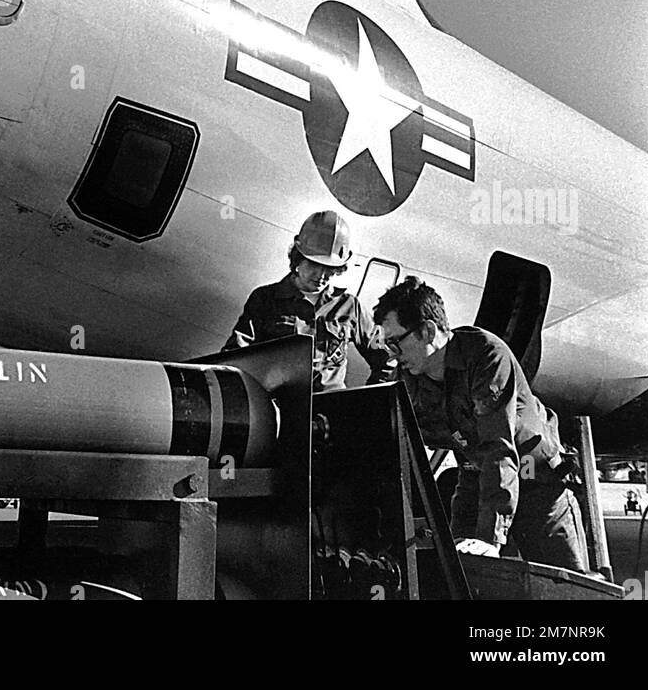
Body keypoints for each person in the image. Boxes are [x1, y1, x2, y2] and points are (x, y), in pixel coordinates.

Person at [373, 276, 588, 571]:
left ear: (427, 331)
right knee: (461, 575)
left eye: (395, 344)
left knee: (567, 588)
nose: (392, 355)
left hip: (537, 483)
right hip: (477, 479)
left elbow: (498, 448)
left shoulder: (485, 356)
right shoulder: (409, 376)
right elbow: (397, 441)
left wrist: (490, 537)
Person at [223, 210, 393, 392]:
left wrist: (369, 400)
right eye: (314, 265)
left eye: (330, 268)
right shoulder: (265, 299)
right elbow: (235, 358)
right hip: (278, 411)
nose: (321, 275)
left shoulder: (350, 307)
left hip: (327, 414)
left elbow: (387, 361)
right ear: (298, 259)